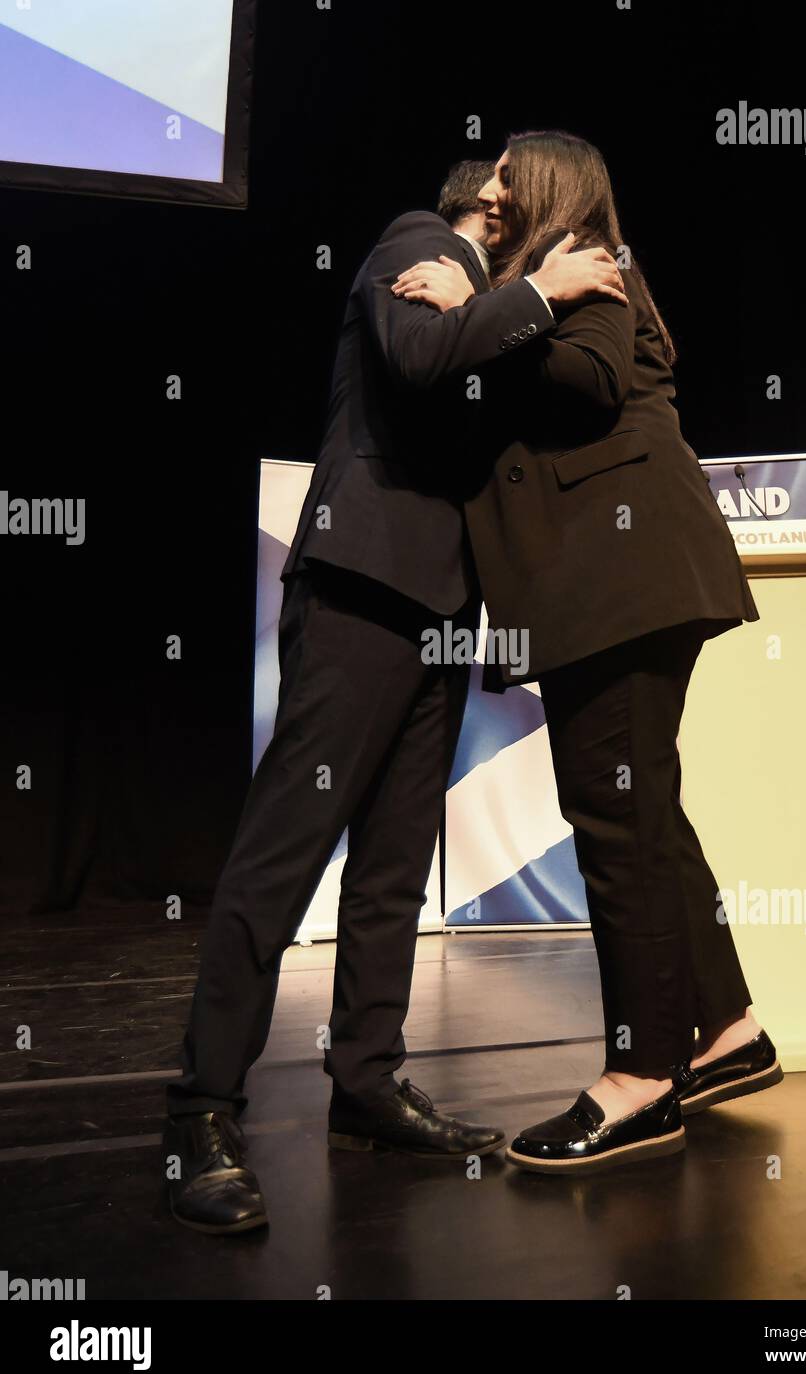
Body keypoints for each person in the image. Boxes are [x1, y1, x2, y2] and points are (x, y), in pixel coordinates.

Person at [162, 159, 629, 1232]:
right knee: (284, 851)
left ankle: (366, 1084)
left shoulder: (485, 304)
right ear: (491, 200)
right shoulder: (415, 238)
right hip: (363, 586)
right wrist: (534, 295)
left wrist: (521, 313)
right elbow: (417, 357)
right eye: (516, 190)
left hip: (442, 607)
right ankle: (198, 1111)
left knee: (391, 869)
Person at [391, 131, 783, 1174]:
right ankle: (727, 1031)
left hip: (624, 583)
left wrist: (478, 307)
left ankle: (640, 1076)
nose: (495, 186)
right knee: (642, 811)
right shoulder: (560, 278)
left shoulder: (591, 270)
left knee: (616, 822)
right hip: (620, 587)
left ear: (555, 188)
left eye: (512, 173)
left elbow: (590, 383)